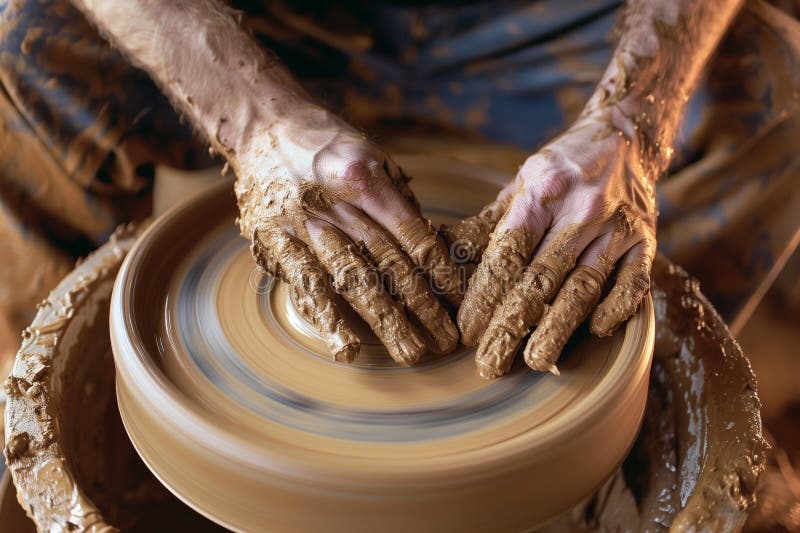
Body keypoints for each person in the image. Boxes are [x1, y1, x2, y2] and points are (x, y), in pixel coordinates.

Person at [1, 0, 799, 378]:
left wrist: (635, 122)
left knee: (775, 82)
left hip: (542, 22)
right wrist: (256, 122)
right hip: (265, 17)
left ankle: (643, 386)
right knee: (23, 40)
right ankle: (56, 385)